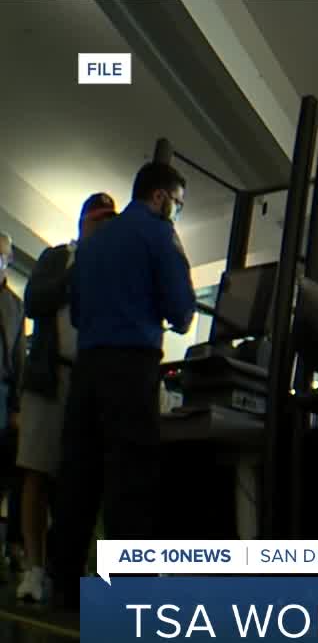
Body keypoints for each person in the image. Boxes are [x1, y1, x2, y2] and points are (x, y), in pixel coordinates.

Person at [49, 163, 195, 607]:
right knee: (129, 483)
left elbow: (75, 314)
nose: (176, 212)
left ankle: (64, 589)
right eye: (178, 203)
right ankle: (128, 595)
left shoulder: (91, 245)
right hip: (131, 369)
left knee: (79, 479)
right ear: (159, 197)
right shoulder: (158, 235)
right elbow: (183, 311)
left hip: (87, 369)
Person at [13, 193, 115, 603]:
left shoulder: (113, 266)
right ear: (81, 223)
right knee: (36, 471)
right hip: (48, 376)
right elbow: (35, 302)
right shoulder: (56, 258)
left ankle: (79, 566)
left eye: (109, 222)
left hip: (90, 381)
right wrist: (74, 275)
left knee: (87, 479)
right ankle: (35, 569)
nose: (102, 229)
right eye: (96, 221)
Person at [0, 231, 25, 586]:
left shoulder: (14, 303)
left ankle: (12, 547)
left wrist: (18, 404)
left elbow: (18, 355)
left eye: (4, 256)